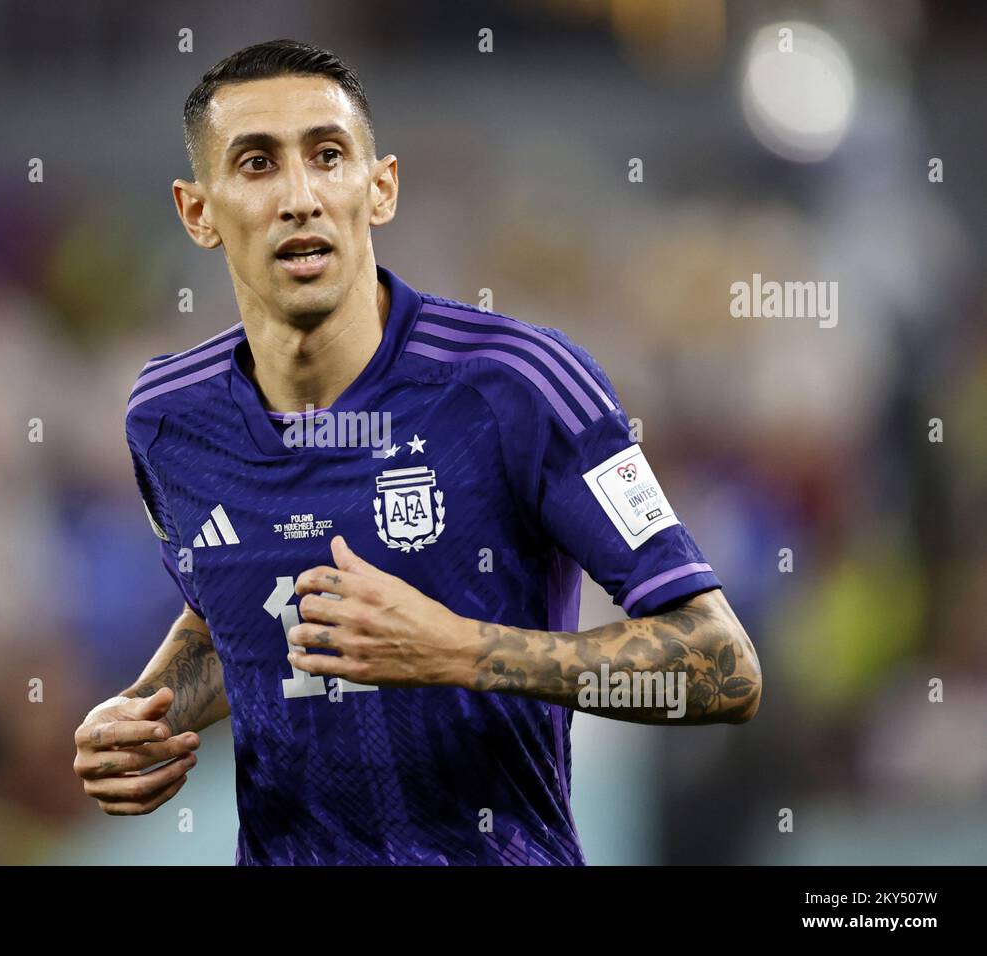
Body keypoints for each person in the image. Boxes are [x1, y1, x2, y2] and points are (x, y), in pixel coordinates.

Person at [73, 38, 761, 865]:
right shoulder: (169, 419)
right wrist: (144, 716)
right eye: (256, 165)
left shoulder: (517, 385)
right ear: (198, 213)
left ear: (380, 187)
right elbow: (234, 617)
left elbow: (719, 665)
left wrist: (460, 650)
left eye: (328, 156)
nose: (300, 197)